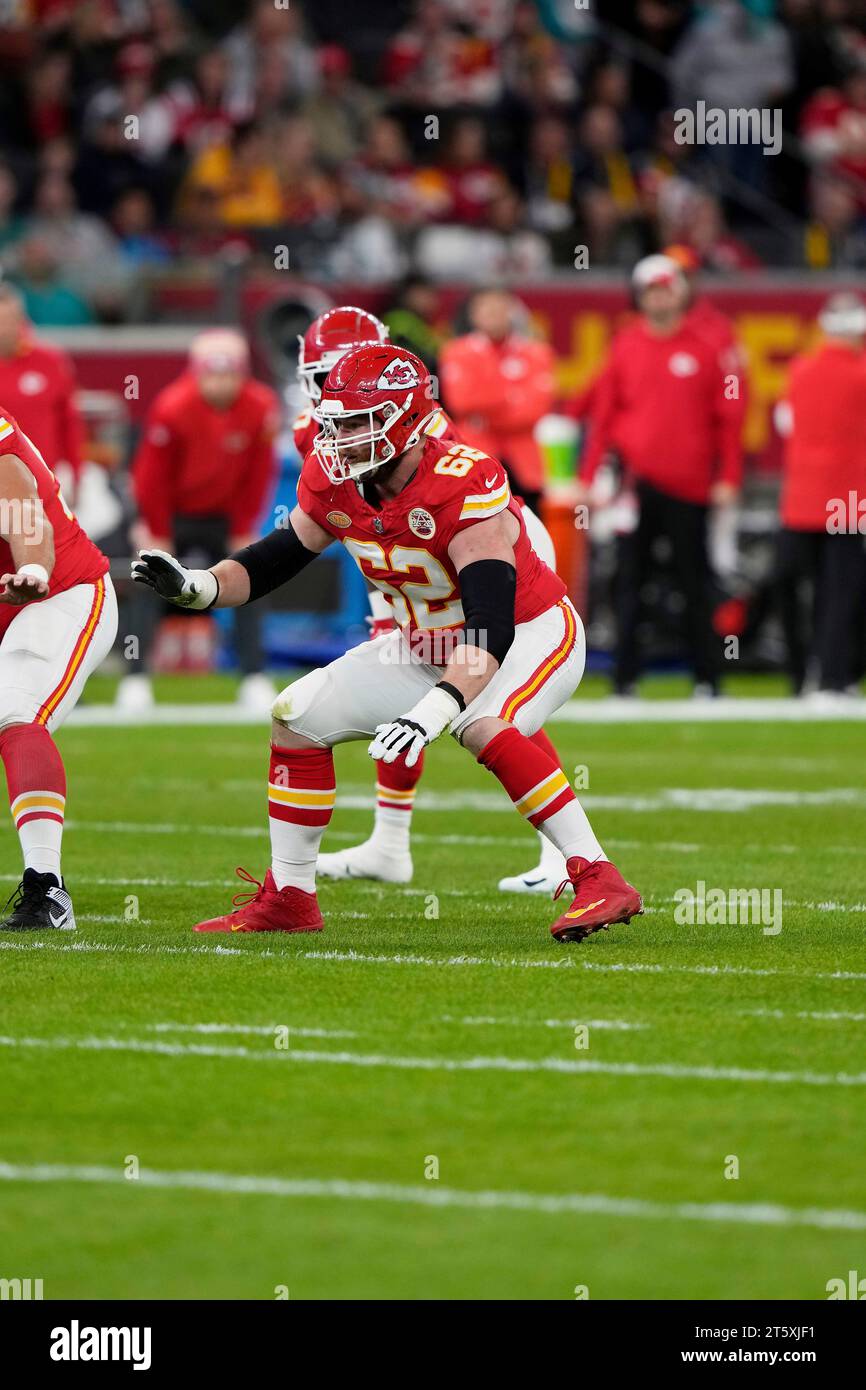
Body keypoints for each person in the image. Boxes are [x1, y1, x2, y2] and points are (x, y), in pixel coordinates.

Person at [132, 345, 642, 944]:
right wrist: (197, 588)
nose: (340, 437)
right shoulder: (335, 479)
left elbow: (490, 623)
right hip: (425, 642)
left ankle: (599, 876)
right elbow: (274, 559)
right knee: (296, 718)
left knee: (482, 724)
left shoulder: (463, 480)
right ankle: (291, 898)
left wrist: (434, 709)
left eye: (356, 422)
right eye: (337, 421)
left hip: (530, 632)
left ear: (403, 421)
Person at [297, 306, 570, 895]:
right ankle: (389, 843)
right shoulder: (326, 430)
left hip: (481, 543)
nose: (331, 397)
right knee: (402, 672)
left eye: (339, 381)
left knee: (493, 693)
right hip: (409, 557)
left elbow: (433, 513)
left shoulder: (412, 429)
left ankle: (564, 852)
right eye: (320, 380)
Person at [579, 254, 743, 696]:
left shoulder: (709, 345)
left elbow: (729, 419)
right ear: (641, 296)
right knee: (630, 583)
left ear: (682, 291)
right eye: (652, 289)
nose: (661, 296)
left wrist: (728, 475)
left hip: (690, 486)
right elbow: (604, 416)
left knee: (696, 583)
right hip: (636, 484)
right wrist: (591, 475)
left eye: (667, 287)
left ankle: (708, 678)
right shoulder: (625, 345)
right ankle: (625, 678)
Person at [120, 328, 279, 712]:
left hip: (224, 514)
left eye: (229, 374)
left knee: (250, 577)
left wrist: (244, 525)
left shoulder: (260, 406)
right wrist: (156, 529)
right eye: (213, 373)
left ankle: (254, 675)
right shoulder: (173, 406)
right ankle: (136, 678)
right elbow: (152, 477)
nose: (221, 384)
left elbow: (259, 471)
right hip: (173, 511)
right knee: (149, 580)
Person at [0, 411, 117, 930]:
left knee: (16, 711)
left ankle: (47, 890)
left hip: (58, 594)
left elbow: (22, 503)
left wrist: (33, 568)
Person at [774, 292, 866, 700]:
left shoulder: (800, 371)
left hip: (802, 497)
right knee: (841, 591)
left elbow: (784, 422)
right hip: (849, 498)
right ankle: (835, 677)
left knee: (795, 586)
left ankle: (799, 675)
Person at [439, 288, 556, 516]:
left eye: (499, 306)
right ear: (473, 314)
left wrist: (483, 411)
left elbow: (536, 409)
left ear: (513, 311)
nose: (493, 313)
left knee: (533, 537)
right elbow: (459, 402)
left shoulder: (538, 352)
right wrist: (511, 395)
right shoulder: (456, 352)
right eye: (486, 307)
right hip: (475, 460)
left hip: (526, 466)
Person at [0, 284, 83, 493]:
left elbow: (70, 423)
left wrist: (76, 473)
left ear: (21, 321)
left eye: (9, 321)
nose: (4, 329)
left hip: (42, 483)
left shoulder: (51, 362)